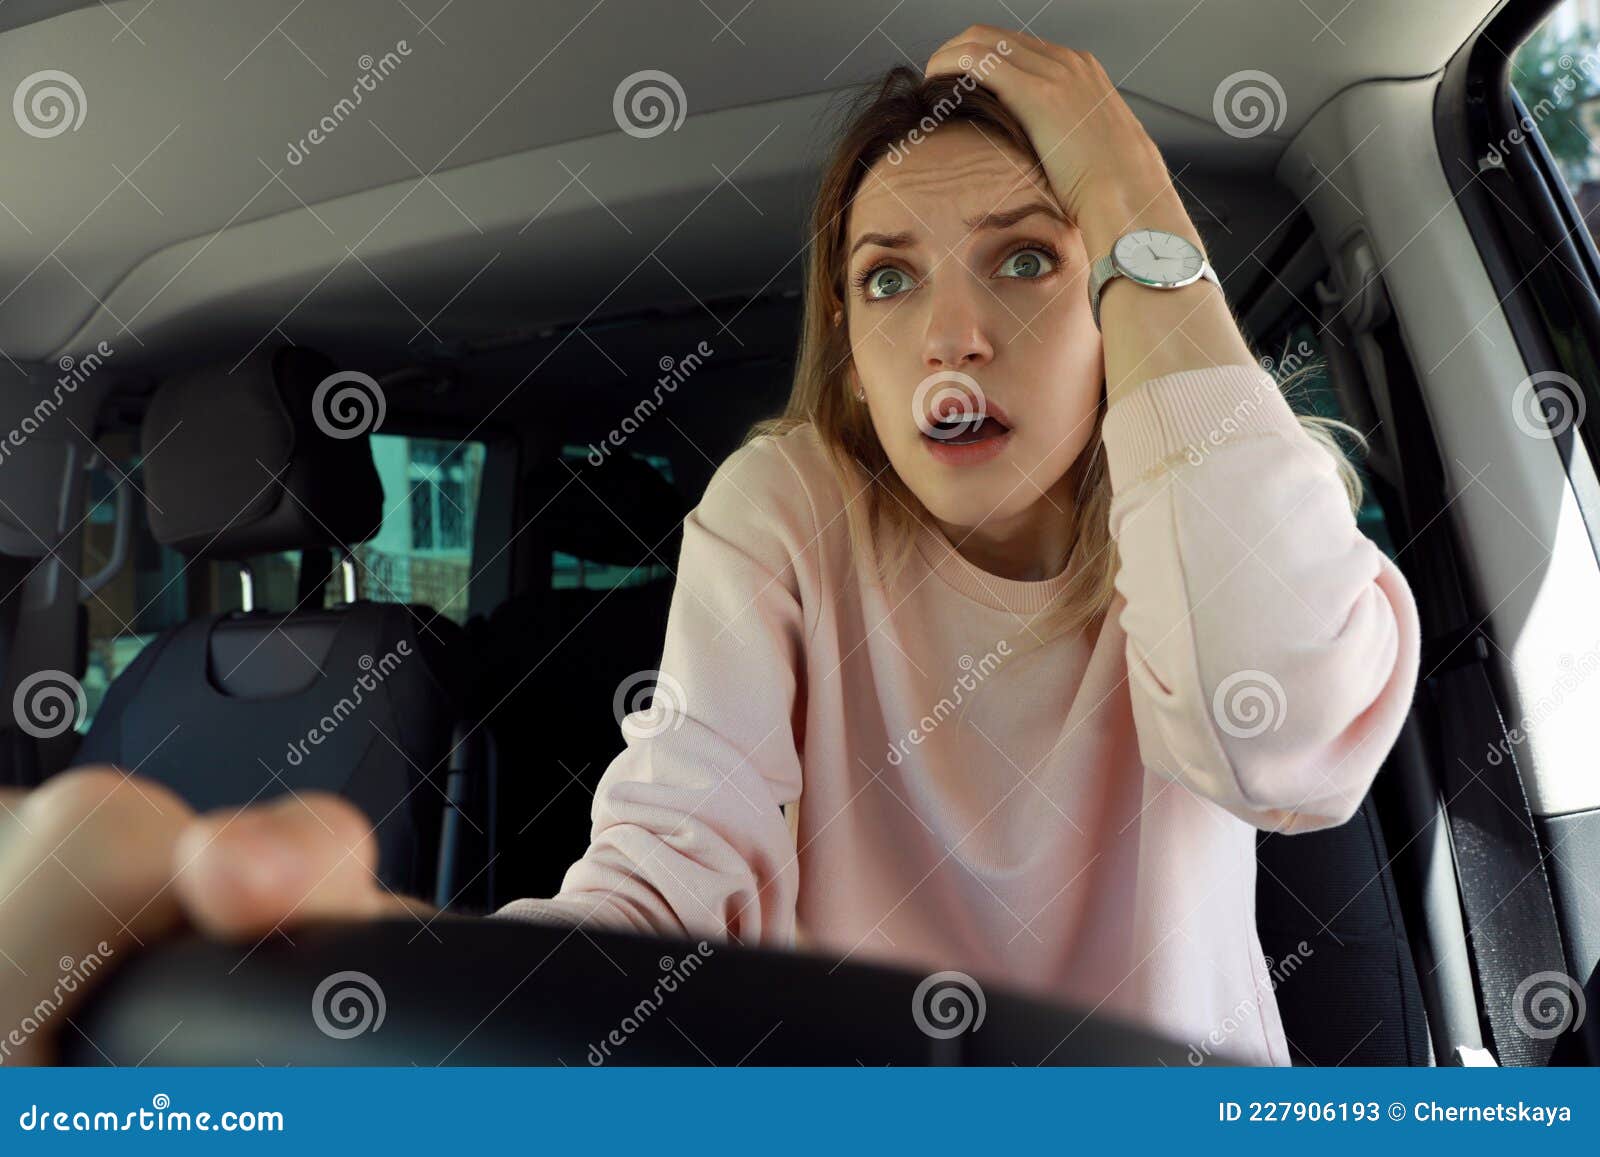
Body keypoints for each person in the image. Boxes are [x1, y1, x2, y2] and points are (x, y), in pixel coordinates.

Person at [0, 25, 1418, 1067]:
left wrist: (1125, 183)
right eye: (889, 278)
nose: (956, 333)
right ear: (854, 356)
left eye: (1029, 256)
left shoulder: (1224, 488)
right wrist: (403, 993)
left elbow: (1281, 729)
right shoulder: (789, 506)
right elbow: (671, 861)